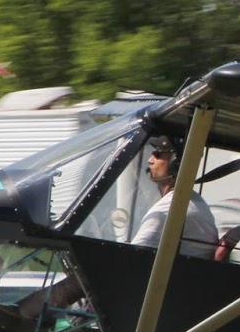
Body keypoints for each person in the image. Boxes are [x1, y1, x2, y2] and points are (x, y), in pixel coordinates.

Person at [14, 135, 219, 321]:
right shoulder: (190, 201)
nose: (150, 160)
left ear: (176, 164)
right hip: (176, 289)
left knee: (88, 273)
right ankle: (38, 313)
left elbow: (130, 259)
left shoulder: (169, 209)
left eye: (158, 155)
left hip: (165, 299)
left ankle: (24, 315)